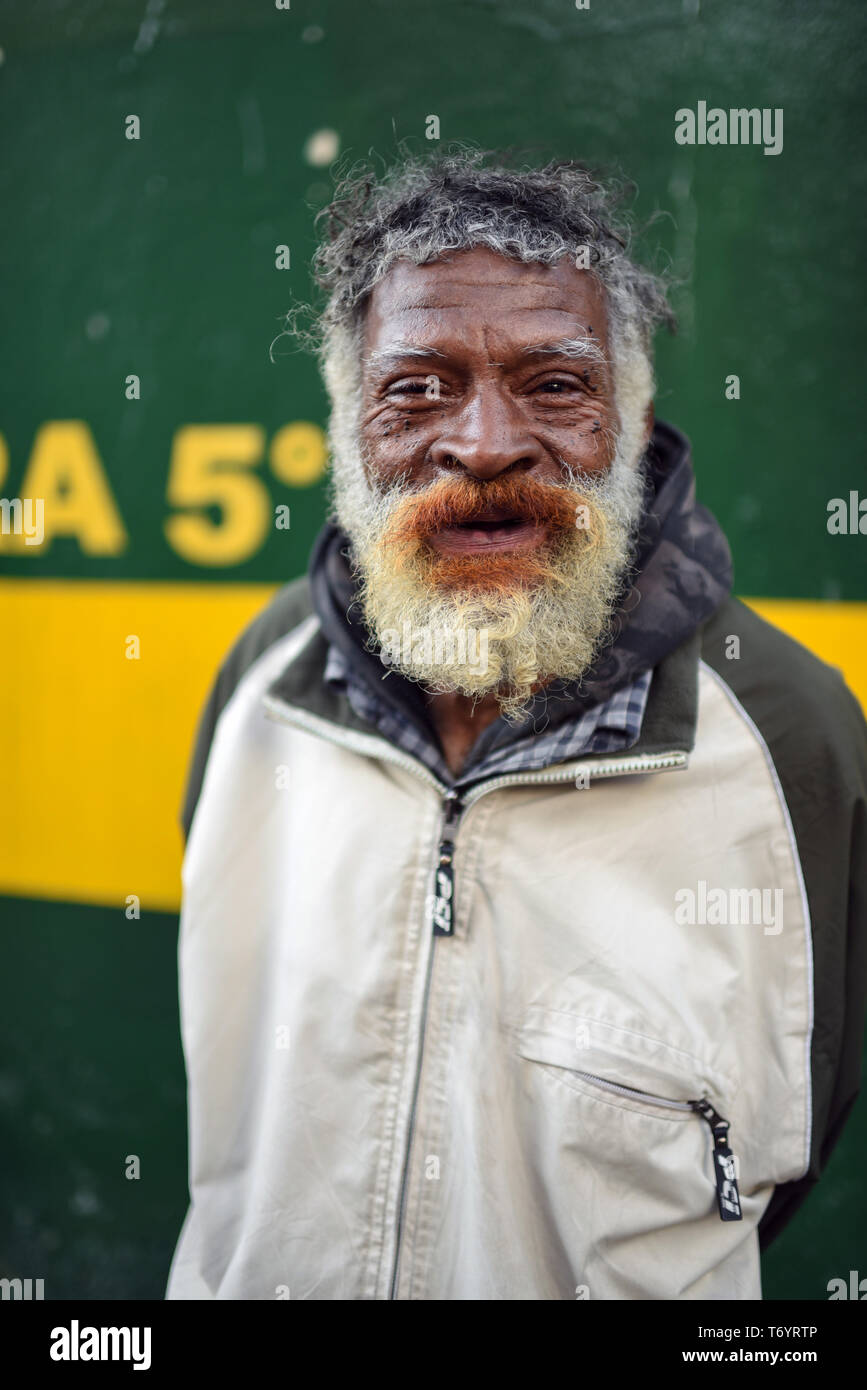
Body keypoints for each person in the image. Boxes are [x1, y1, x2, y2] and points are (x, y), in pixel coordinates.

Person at [166, 150, 867, 1300]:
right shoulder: (263, 684)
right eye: (417, 388)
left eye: (552, 384)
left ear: (631, 423)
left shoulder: (789, 739)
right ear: (349, 428)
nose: (485, 445)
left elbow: (790, 1132)